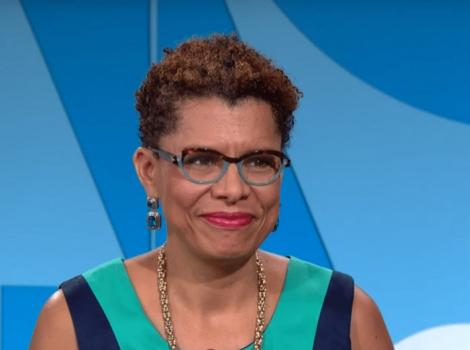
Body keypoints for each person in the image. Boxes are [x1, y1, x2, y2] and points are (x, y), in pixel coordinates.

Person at [30, 34, 394, 350]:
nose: (233, 189)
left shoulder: (346, 317)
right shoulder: (76, 320)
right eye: (202, 160)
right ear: (149, 171)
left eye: (259, 161)